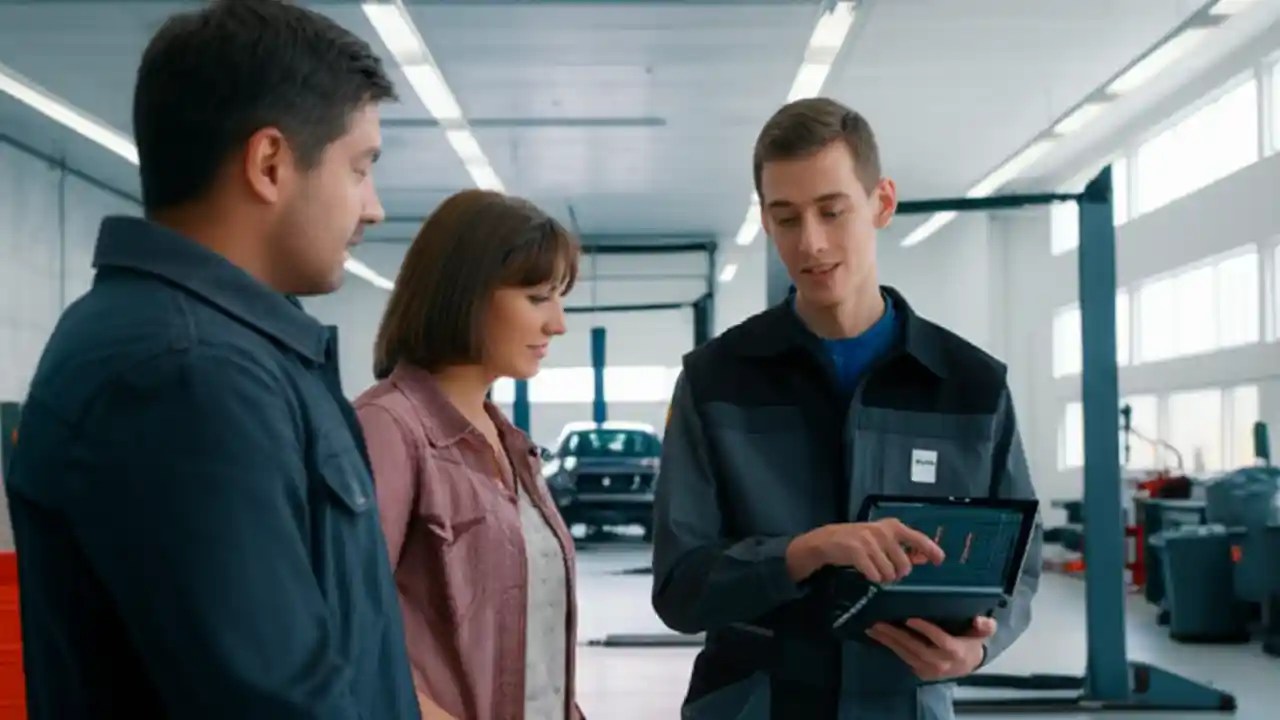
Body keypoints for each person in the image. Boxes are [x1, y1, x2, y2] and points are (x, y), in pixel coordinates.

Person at [2, 1, 419, 718]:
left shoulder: (236, 352)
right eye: (360, 168)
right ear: (269, 164)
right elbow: (276, 703)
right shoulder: (184, 373)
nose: (374, 207)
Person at [650, 97, 1042, 719]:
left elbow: (1018, 565)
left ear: (881, 203)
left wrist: (973, 654)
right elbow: (679, 589)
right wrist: (806, 550)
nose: (810, 243)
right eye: (786, 218)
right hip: (753, 702)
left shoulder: (970, 385)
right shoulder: (715, 381)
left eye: (832, 212)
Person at [355, 189, 585, 720]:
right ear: (468, 294)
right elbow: (349, 637)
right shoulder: (389, 429)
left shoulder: (510, 443)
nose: (558, 323)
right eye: (537, 297)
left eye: (559, 297)